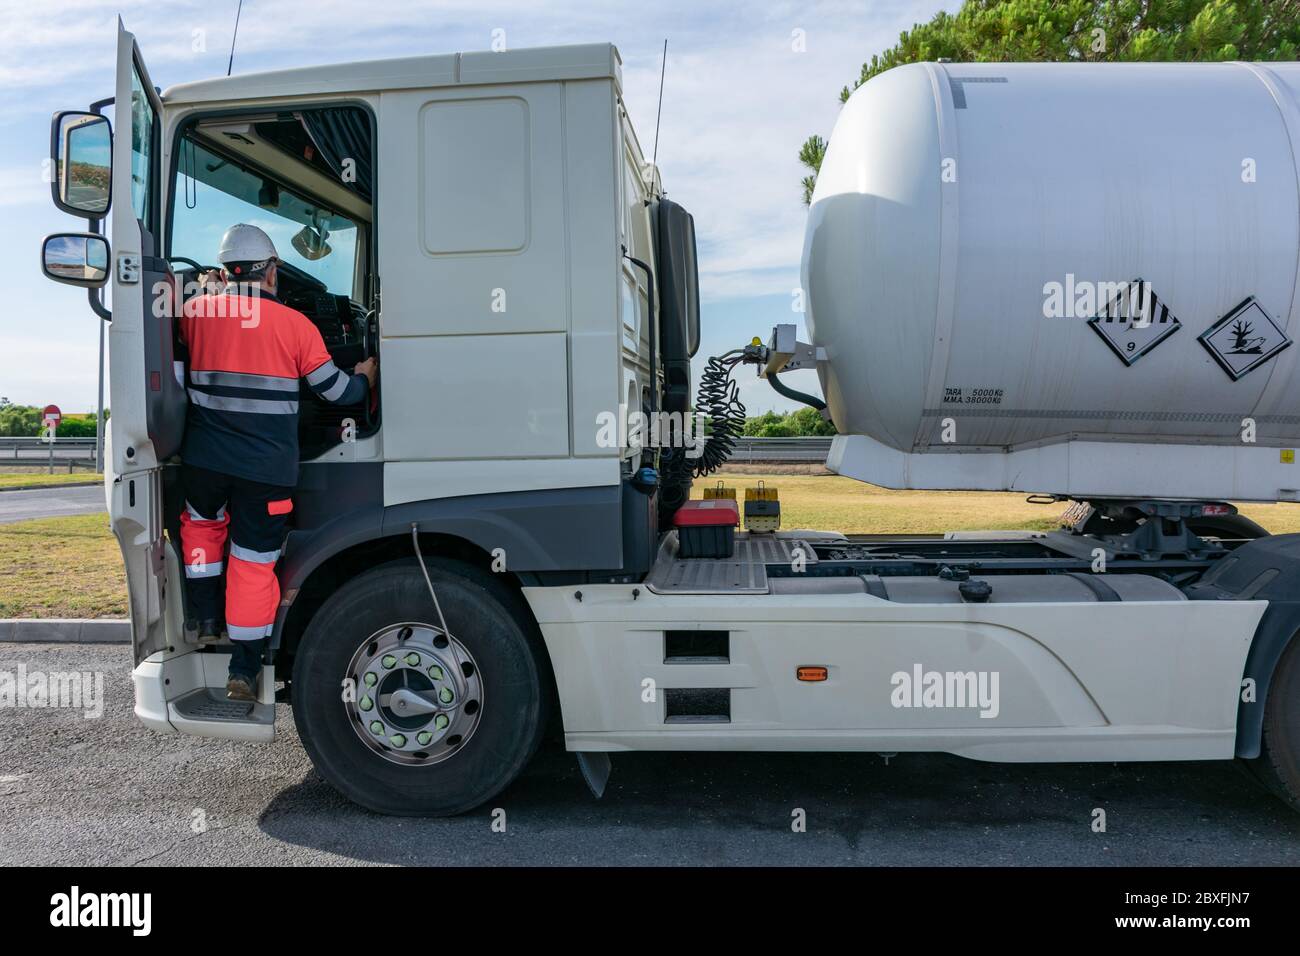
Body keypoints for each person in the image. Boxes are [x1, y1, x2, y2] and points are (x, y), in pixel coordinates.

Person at [179, 223, 377, 701]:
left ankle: (203, 615)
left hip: (204, 463)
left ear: (227, 272)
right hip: (265, 471)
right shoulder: (296, 325)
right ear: (271, 273)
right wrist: (366, 375)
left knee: (201, 529)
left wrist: (205, 291)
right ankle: (243, 669)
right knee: (252, 562)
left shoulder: (192, 312)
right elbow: (338, 392)